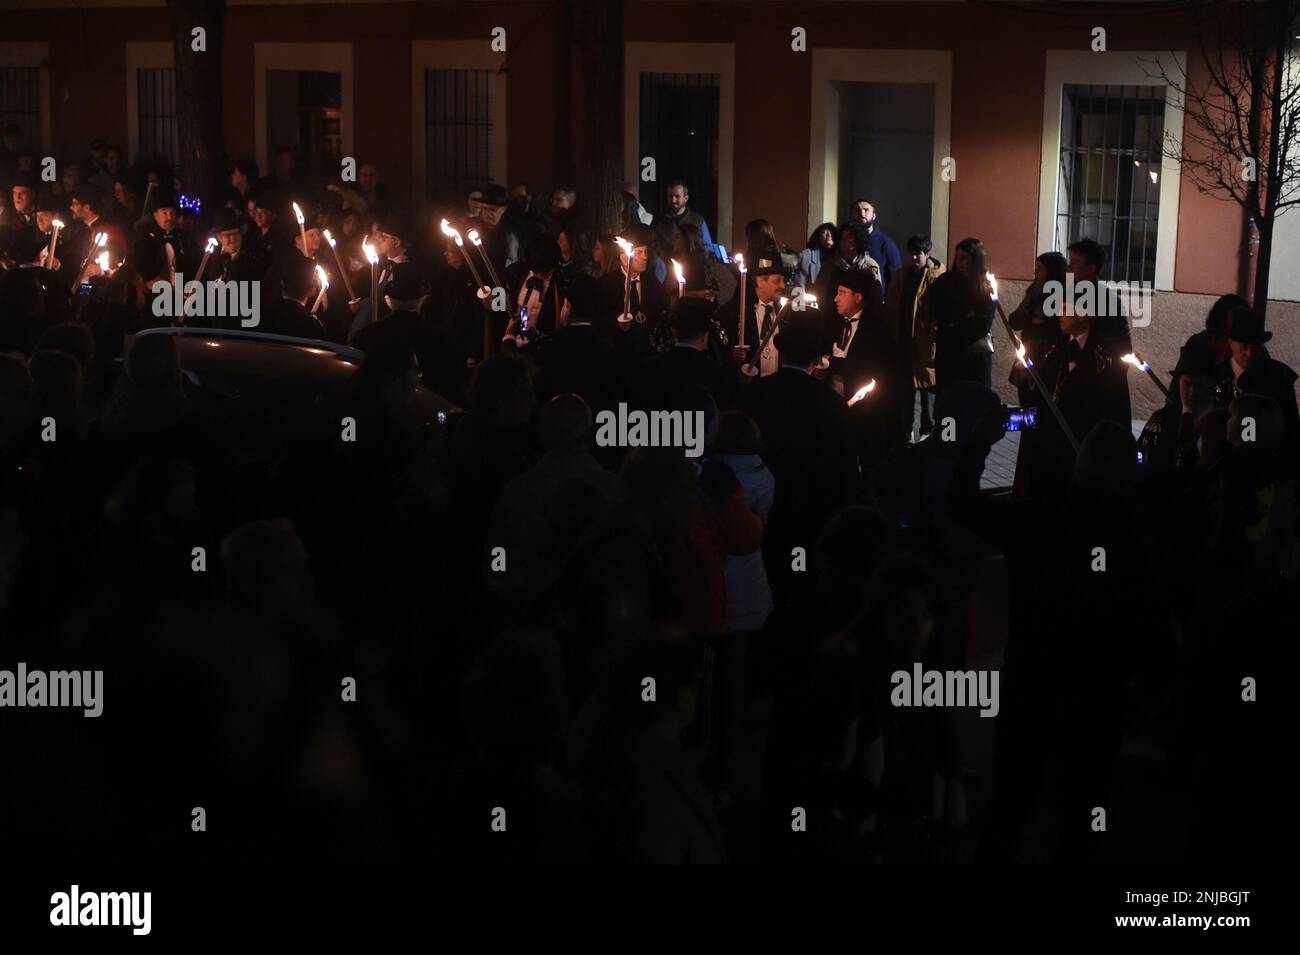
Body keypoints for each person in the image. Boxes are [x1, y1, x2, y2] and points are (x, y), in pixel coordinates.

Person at [740, 313, 860, 603]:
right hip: (811, 512)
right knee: (802, 583)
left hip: (765, 511)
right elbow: (844, 467)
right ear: (816, 358)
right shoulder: (830, 403)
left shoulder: (756, 394)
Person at [1213, 307, 1300, 471]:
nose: (1250, 353)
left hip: (1268, 470)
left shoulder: (1278, 378)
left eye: (1255, 346)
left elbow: (1291, 430)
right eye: (1244, 345)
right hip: (1222, 471)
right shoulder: (1215, 375)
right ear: (1231, 343)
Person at [886, 234, 945, 442]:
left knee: (928, 385)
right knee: (906, 386)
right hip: (903, 337)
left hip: (925, 340)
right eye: (911, 253)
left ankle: (927, 429)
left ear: (927, 254)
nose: (913, 258)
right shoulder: (902, 275)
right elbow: (893, 305)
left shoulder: (937, 277)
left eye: (918, 254)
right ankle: (907, 428)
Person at [927, 237, 994, 392]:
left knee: (974, 402)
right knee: (949, 403)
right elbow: (939, 313)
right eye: (958, 257)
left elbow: (983, 323)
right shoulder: (945, 282)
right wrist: (965, 315)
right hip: (949, 354)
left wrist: (957, 321)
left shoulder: (985, 285)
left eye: (965, 258)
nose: (959, 262)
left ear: (975, 260)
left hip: (974, 357)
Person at [1006, 251, 1067, 407]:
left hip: (1050, 359)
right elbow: (1014, 321)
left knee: (1043, 403)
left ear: (1052, 271)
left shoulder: (1064, 295)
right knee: (1026, 402)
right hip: (1028, 354)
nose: (1035, 272)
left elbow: (1060, 327)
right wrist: (1030, 317)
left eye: (1040, 268)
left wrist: (1043, 320)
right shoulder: (1033, 292)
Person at [717, 245, 786, 378]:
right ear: (760, 281)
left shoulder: (786, 313)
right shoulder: (733, 313)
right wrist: (735, 357)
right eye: (778, 280)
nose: (783, 285)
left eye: (783, 280)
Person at [844, 199, 902, 298]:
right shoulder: (845, 241)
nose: (862, 213)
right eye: (858, 211)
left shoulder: (886, 243)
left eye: (866, 210)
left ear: (874, 215)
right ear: (853, 215)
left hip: (876, 302)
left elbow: (897, 278)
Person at [654, 179, 713, 250]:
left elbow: (708, 248)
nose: (673, 200)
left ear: (686, 198)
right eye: (670, 196)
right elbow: (652, 245)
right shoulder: (658, 219)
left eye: (677, 196)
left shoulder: (698, 220)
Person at [796, 222, 838, 291]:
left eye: (832, 233)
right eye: (825, 232)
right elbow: (800, 284)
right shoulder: (806, 255)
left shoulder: (839, 256)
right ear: (818, 236)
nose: (829, 235)